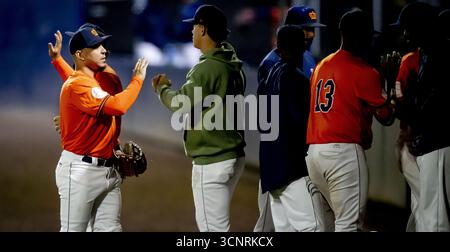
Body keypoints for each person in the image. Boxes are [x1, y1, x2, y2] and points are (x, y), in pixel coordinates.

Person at [151, 5, 246, 232]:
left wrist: (162, 89)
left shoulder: (207, 68)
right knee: (218, 227)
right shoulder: (233, 63)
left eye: (194, 26)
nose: (191, 31)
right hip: (234, 155)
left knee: (212, 231)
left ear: (203, 29)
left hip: (212, 159)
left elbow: (180, 103)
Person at [50, 24, 149, 231]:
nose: (104, 50)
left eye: (102, 44)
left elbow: (98, 102)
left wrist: (73, 120)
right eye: (96, 46)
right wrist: (138, 80)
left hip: (107, 169)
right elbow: (113, 104)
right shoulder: (84, 81)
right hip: (80, 172)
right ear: (80, 54)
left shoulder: (102, 77)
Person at [305, 9, 395, 232]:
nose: (370, 40)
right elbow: (386, 116)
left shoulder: (321, 66)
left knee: (326, 226)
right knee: (348, 226)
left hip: (314, 155)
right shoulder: (364, 71)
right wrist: (391, 83)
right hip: (342, 156)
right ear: (360, 35)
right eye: (367, 35)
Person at [254, 4, 326, 232]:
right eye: (305, 29)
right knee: (269, 226)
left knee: (286, 225)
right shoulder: (272, 64)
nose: (311, 34)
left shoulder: (307, 58)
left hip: (285, 157)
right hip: (286, 156)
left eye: (312, 28)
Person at [393, 3, 450, 232]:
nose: (405, 35)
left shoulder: (438, 57)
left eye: (409, 29)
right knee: (426, 213)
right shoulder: (429, 55)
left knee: (434, 220)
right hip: (432, 145)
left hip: (437, 145)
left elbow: (423, 114)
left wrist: (394, 90)